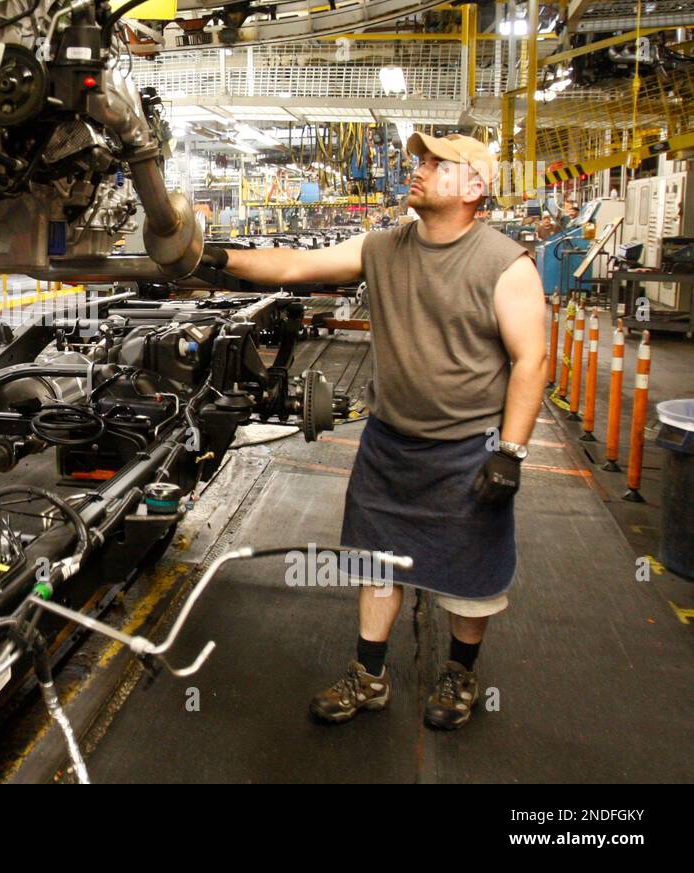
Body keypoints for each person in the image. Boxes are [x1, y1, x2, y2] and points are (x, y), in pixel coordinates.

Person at [198, 131, 547, 731]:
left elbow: (532, 360)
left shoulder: (504, 265)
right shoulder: (384, 247)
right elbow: (294, 265)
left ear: (473, 187)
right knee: (374, 564)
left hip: (469, 450)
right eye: (422, 160)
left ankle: (461, 673)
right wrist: (216, 257)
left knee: (470, 578)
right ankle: (370, 676)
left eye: (438, 164)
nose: (420, 168)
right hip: (390, 442)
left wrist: (510, 452)